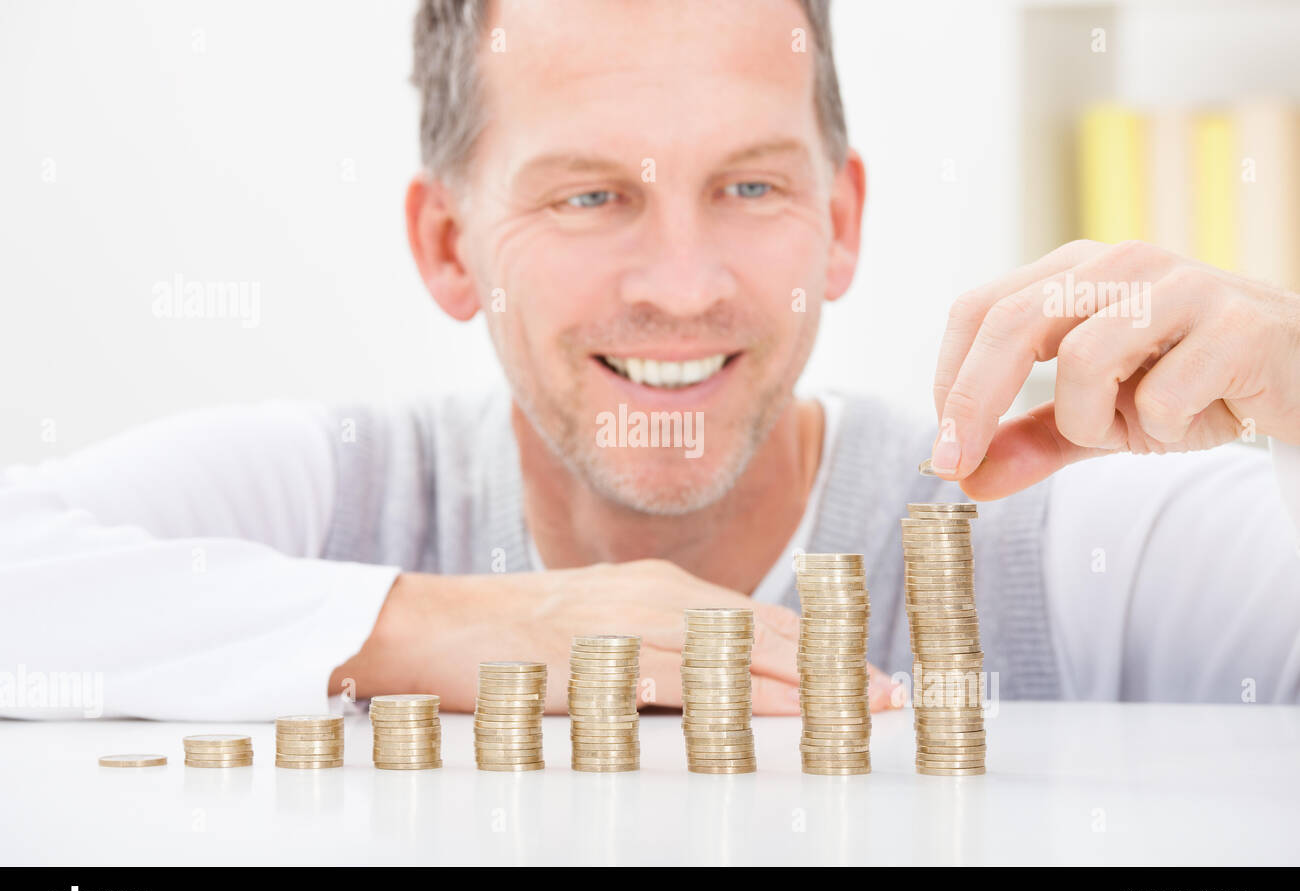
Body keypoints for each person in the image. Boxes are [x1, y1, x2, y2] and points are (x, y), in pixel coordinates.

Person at [2, 0, 1297, 721]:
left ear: (840, 224)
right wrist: (455, 629)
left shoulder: (1064, 536)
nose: (683, 284)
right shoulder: (338, 497)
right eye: (587, 198)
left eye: (747, 186)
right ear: (449, 245)